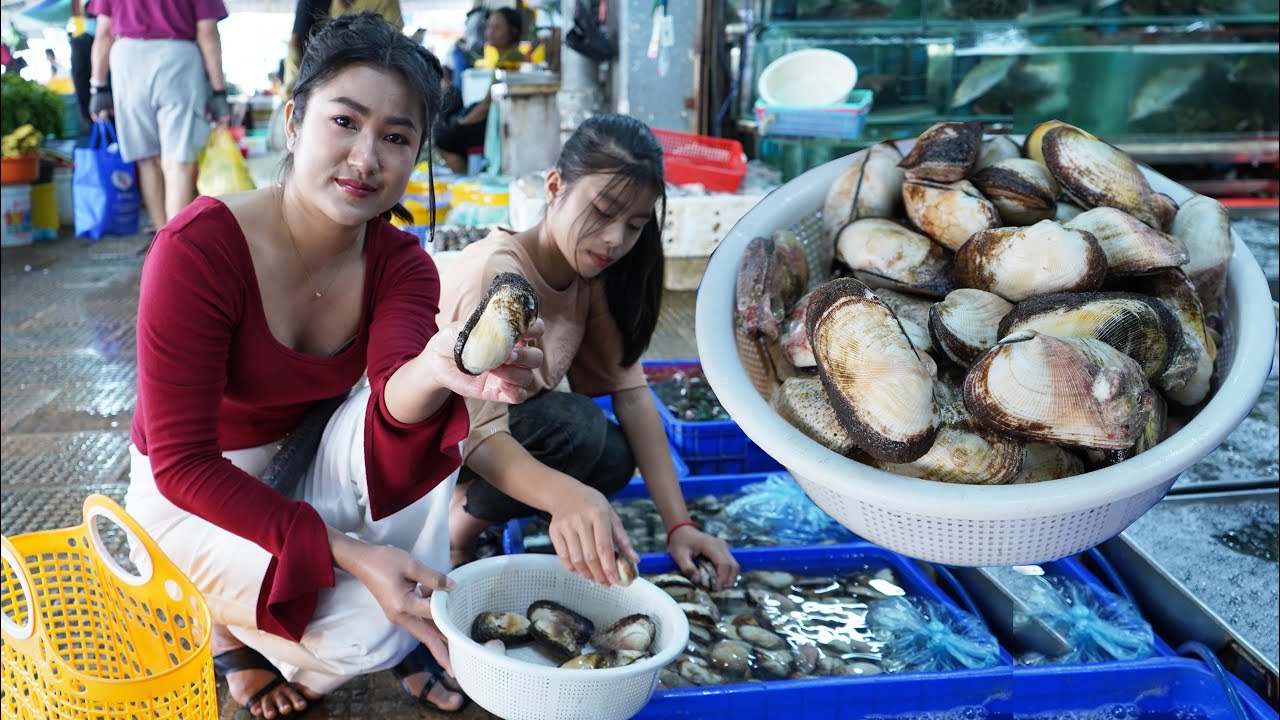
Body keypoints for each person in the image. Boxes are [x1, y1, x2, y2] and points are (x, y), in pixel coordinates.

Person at [123, 13, 542, 719]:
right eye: (344, 121)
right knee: (368, 615)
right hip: (186, 493)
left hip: (300, 456)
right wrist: (348, 551)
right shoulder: (198, 248)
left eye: (396, 137)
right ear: (294, 121)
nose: (365, 158)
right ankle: (224, 628)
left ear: (416, 157)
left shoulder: (400, 263)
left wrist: (447, 371)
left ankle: (276, 619)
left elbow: (391, 397)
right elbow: (182, 464)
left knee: (432, 458)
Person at [438, 114, 740, 591]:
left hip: (510, 427)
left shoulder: (588, 276)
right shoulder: (494, 278)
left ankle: (483, 507)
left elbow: (632, 394)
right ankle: (455, 525)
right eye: (602, 211)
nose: (616, 239)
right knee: (575, 426)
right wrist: (567, 497)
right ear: (555, 186)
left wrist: (680, 526)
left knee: (614, 455)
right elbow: (472, 432)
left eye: (634, 224)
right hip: (441, 446)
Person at [87, 0, 231, 233]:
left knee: (147, 158)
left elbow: (103, 33)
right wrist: (218, 91)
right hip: (177, 58)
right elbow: (207, 33)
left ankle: (160, 239)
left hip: (127, 59)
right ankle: (175, 242)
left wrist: (99, 87)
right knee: (178, 162)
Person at [434, 7, 526, 173]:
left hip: (499, 124)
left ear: (513, 31)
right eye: (489, 26)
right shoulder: (507, 57)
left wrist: (461, 123)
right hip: (496, 119)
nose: (489, 32)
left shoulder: (510, 61)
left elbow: (485, 108)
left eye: (497, 27)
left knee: (443, 137)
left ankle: (465, 175)